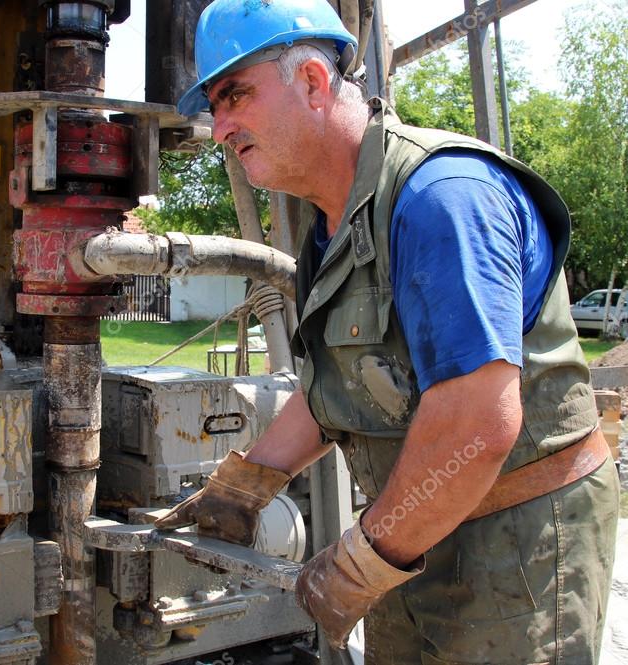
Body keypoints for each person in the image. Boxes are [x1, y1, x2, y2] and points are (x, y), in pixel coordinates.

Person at [155, 1, 620, 662]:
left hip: (515, 551)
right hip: (410, 536)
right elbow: (337, 390)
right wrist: (246, 483)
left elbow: (476, 424)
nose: (219, 125)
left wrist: (356, 565)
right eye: (213, 103)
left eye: (234, 95)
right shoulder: (332, 223)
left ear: (313, 81)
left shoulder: (441, 198)